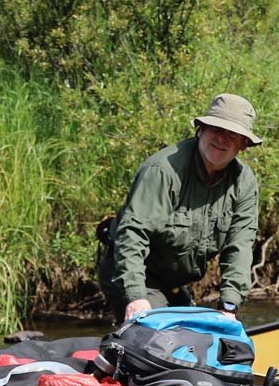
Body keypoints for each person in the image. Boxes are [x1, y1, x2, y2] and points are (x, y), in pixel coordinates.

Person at [97, 94, 261, 322]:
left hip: (173, 282)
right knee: (157, 338)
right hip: (134, 271)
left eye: (232, 134)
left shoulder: (244, 182)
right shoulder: (163, 171)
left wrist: (229, 305)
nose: (221, 139)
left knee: (196, 336)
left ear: (243, 144)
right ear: (201, 130)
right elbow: (133, 234)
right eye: (216, 129)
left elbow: (240, 247)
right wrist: (135, 295)